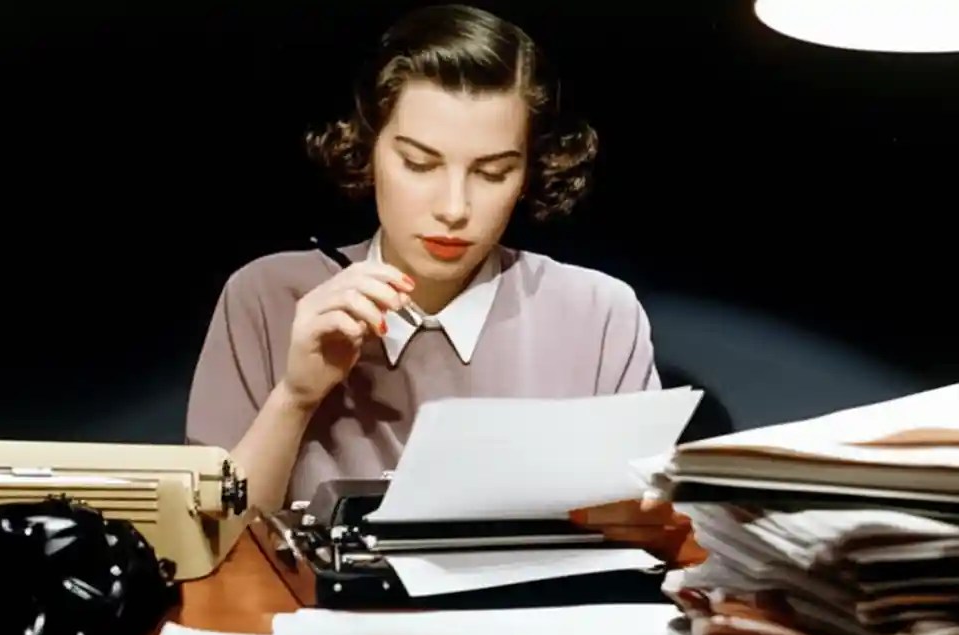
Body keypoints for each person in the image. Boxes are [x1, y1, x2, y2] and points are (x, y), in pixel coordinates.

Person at [186, 4, 701, 565]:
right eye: (419, 163)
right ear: (368, 149)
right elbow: (210, 547)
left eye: (492, 172)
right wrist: (295, 397)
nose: (454, 209)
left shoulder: (600, 313)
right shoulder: (266, 296)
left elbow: (644, 541)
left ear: (529, 173)